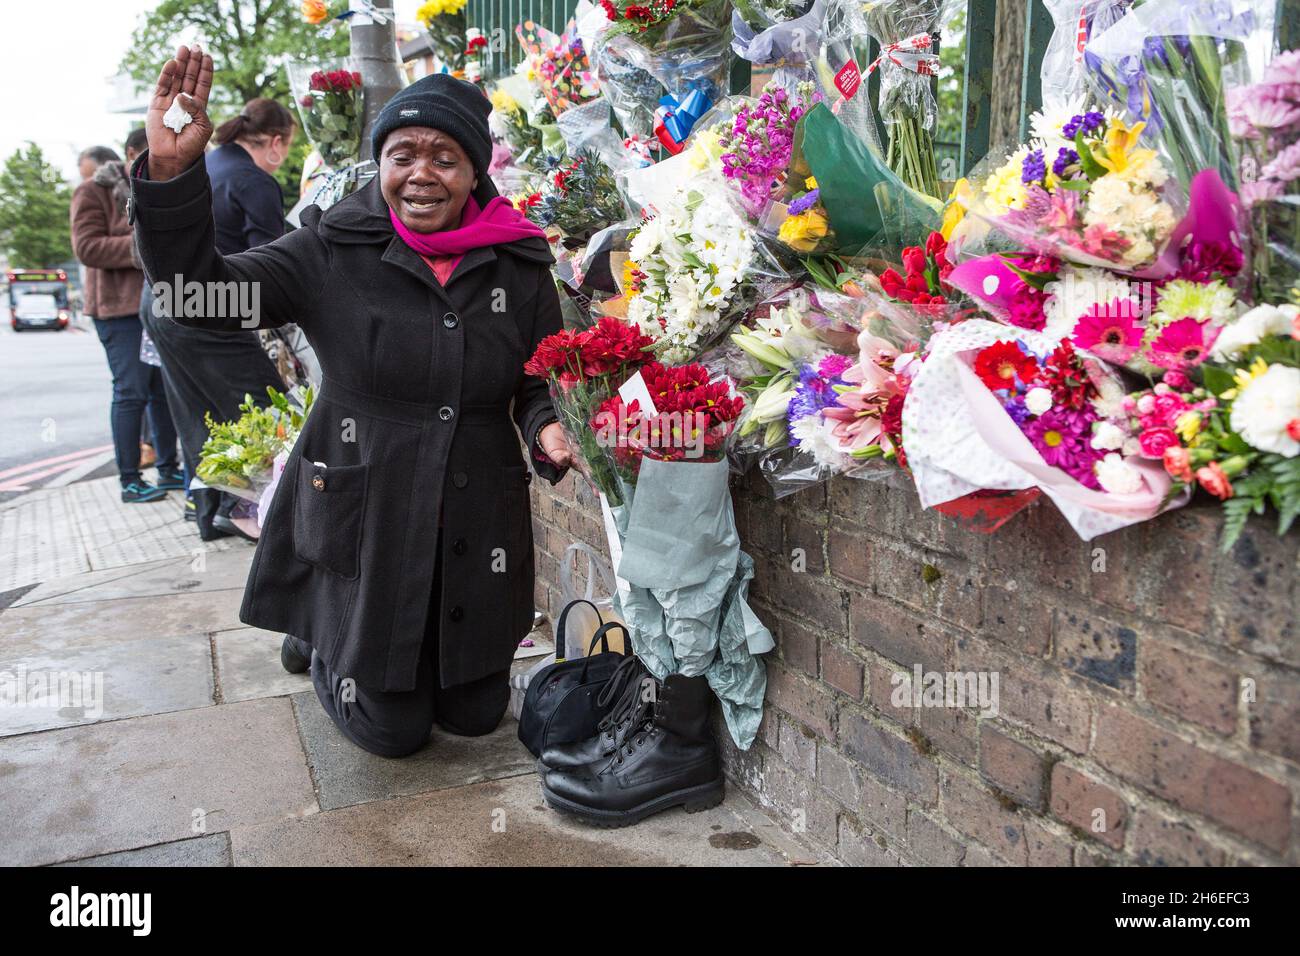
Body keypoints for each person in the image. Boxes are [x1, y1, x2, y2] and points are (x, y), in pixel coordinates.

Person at [131, 48, 578, 759]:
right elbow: (192, 296)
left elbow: (535, 378)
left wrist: (547, 426)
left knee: (475, 717)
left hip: (475, 509)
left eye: (445, 157)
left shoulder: (518, 261)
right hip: (366, 504)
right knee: (392, 734)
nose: (422, 174)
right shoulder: (330, 248)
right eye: (404, 154)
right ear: (381, 164)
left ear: (474, 173)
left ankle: (400, 657)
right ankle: (319, 639)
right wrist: (170, 176)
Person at [138, 98, 294, 541]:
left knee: (196, 411)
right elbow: (274, 264)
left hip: (159, 299)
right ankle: (245, 508)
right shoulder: (253, 180)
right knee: (263, 403)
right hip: (213, 303)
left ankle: (207, 510)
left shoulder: (207, 162)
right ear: (277, 142)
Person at [70, 144, 181, 503]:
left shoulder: (143, 185)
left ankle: (167, 468)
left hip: (153, 305)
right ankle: (130, 479)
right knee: (130, 392)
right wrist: (142, 245)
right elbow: (86, 247)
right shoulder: (90, 191)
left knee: (162, 391)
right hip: (116, 311)